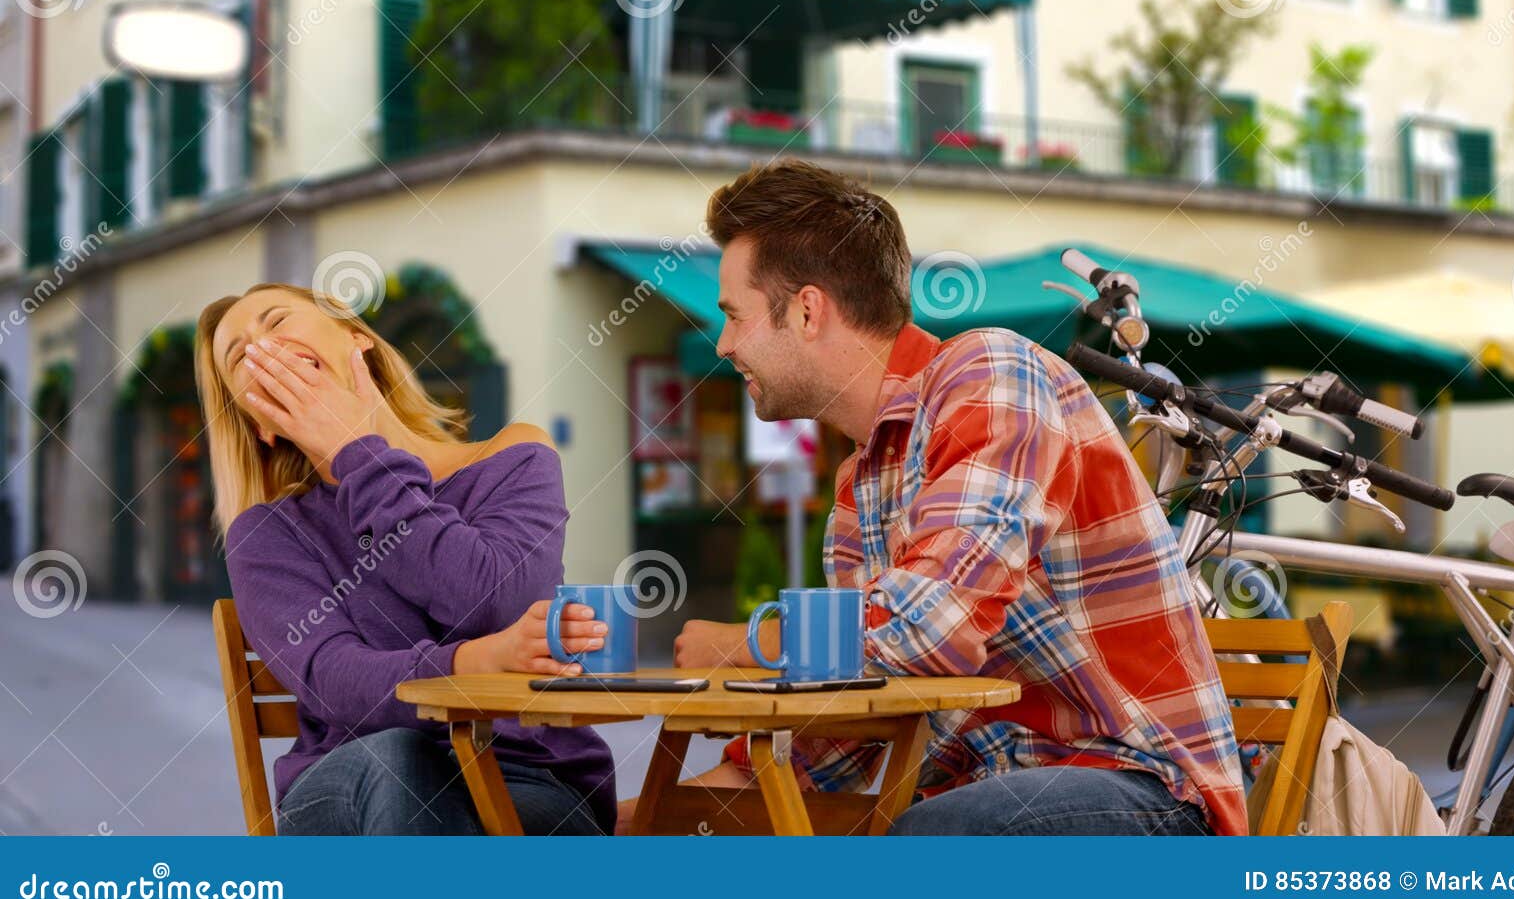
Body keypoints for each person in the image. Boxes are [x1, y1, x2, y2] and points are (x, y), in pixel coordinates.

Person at [661, 159, 1248, 835]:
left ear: (807, 309)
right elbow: (850, 725)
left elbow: (929, 631)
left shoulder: (992, 374)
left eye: (733, 315)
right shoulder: (862, 484)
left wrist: (750, 646)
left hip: (1146, 792)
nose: (726, 343)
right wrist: (660, 819)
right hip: (987, 797)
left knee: (922, 840)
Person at [198, 283, 615, 835]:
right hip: (352, 779)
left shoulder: (513, 459)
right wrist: (475, 662)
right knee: (398, 761)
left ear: (356, 340)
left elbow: (495, 602)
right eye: (239, 356)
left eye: (276, 322)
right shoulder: (268, 534)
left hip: (522, 774)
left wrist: (359, 455)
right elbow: (336, 681)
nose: (262, 350)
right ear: (262, 425)